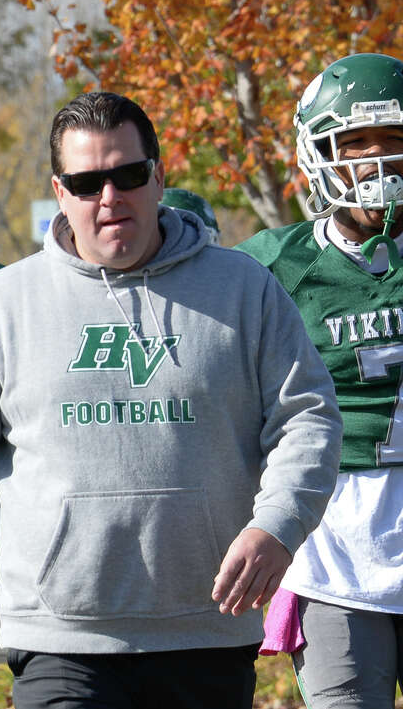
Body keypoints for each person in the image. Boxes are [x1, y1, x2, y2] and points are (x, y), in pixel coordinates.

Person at [0, 90, 344, 709]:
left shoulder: (242, 290)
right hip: (61, 640)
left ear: (159, 175)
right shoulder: (5, 306)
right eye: (87, 181)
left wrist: (276, 526)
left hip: (206, 631)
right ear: (60, 192)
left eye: (128, 174)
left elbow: (307, 418)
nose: (110, 197)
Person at [237, 52, 403, 707]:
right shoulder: (272, 266)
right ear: (320, 154)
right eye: (355, 142)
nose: (377, 160)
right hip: (334, 554)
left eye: (393, 141)